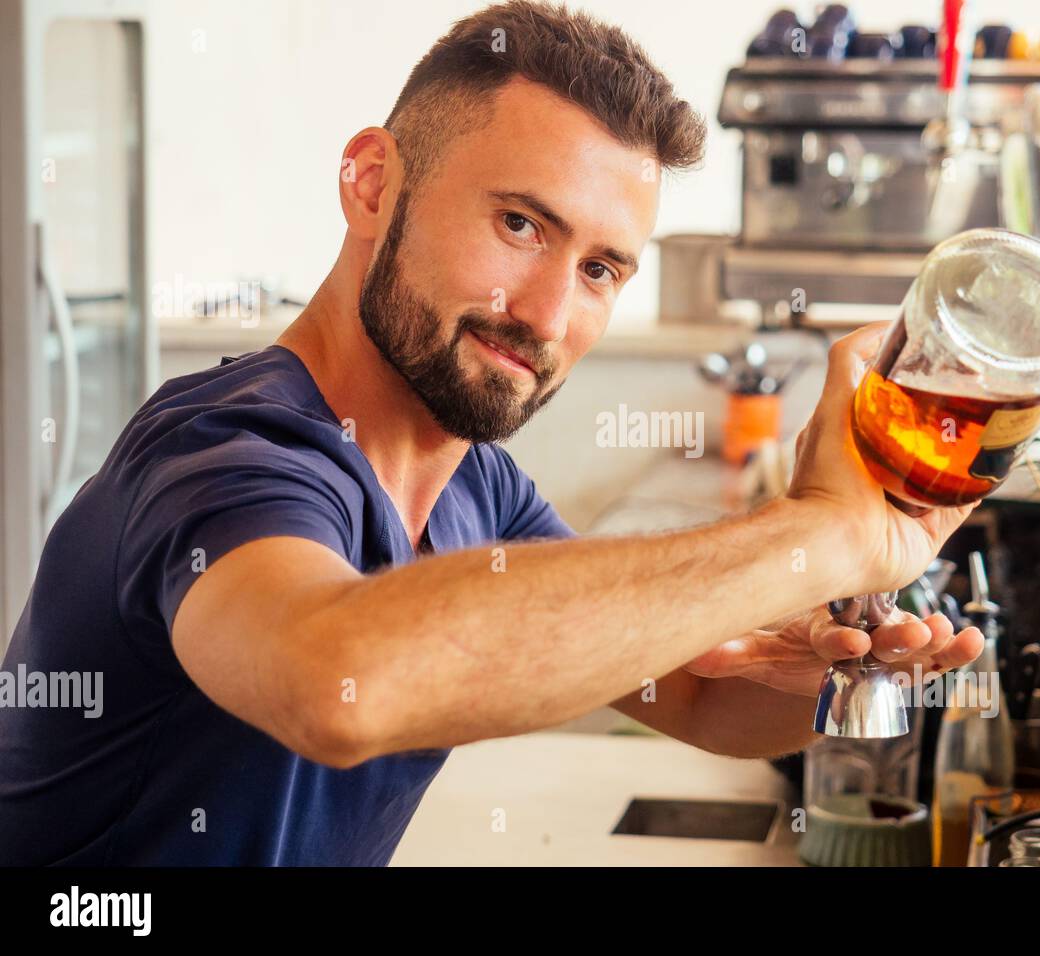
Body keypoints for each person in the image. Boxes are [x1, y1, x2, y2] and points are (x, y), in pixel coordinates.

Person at [0, 0, 982, 865]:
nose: (550, 316)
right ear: (372, 183)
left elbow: (697, 696)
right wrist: (811, 533)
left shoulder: (477, 488)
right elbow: (340, 683)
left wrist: (823, 668)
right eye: (520, 224)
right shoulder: (231, 456)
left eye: (600, 269)